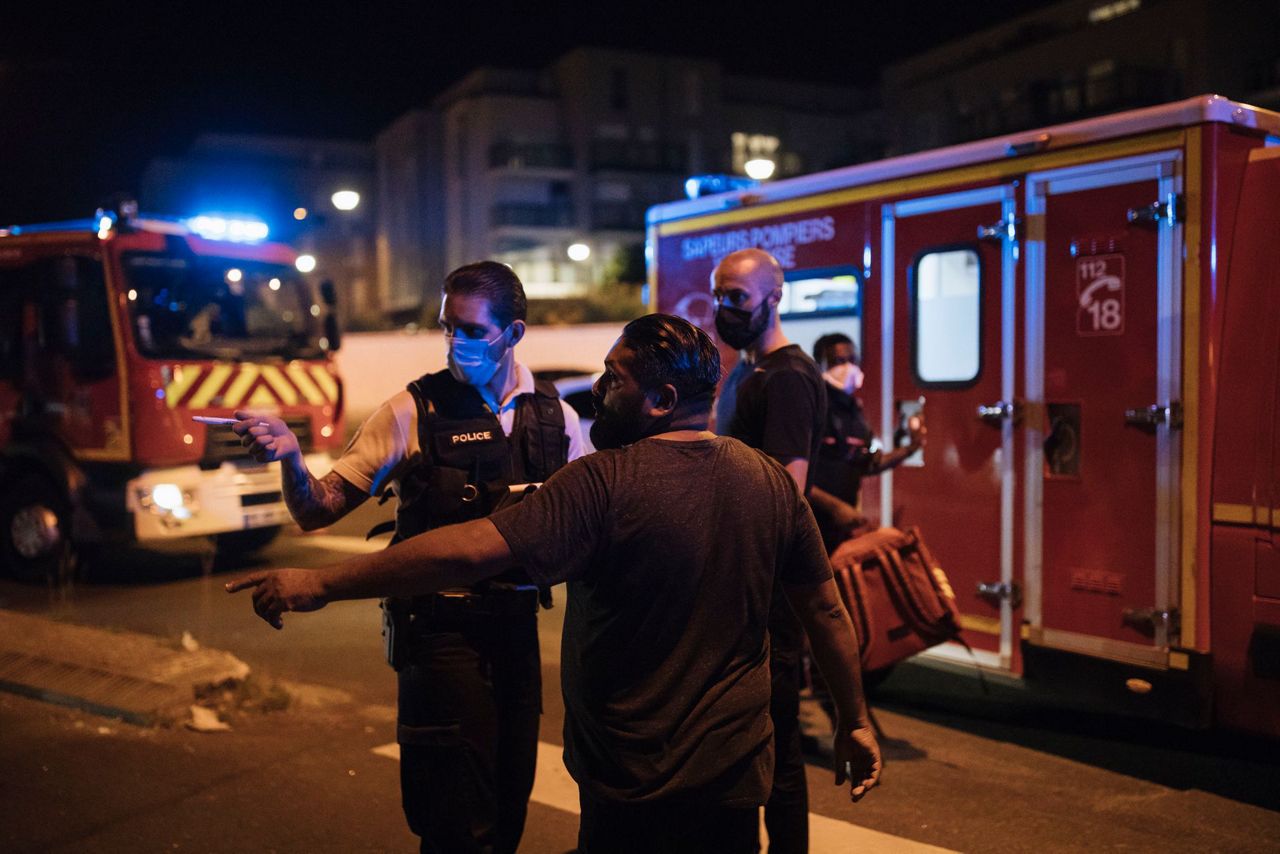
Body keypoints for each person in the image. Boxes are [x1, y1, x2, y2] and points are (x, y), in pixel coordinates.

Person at [228, 314, 882, 854]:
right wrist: (855, 722)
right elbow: (824, 611)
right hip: (736, 781)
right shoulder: (770, 482)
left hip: (631, 785)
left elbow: (465, 553)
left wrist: (321, 583)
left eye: (614, 378)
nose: (597, 390)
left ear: (660, 401)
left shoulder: (604, 484)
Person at [231, 261, 585, 854]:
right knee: (453, 828)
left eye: (473, 330)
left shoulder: (557, 419)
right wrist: (293, 461)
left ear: (514, 333)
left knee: (506, 816)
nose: (456, 342)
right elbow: (317, 511)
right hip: (438, 637)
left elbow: (585, 530)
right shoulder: (410, 411)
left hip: (517, 635)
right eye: (449, 328)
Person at [711, 248, 834, 854]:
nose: (724, 308)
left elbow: (788, 491)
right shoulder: (747, 370)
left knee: (780, 754)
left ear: (773, 296)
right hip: (741, 589)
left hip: (769, 594)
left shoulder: (786, 377)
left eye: (736, 296)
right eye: (718, 295)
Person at [809, 332, 926, 548]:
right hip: (809, 524)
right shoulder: (811, 406)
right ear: (819, 365)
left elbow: (866, 463)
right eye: (838, 361)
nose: (848, 368)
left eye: (852, 361)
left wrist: (911, 448)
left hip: (841, 528)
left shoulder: (854, 411)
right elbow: (792, 473)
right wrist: (836, 508)